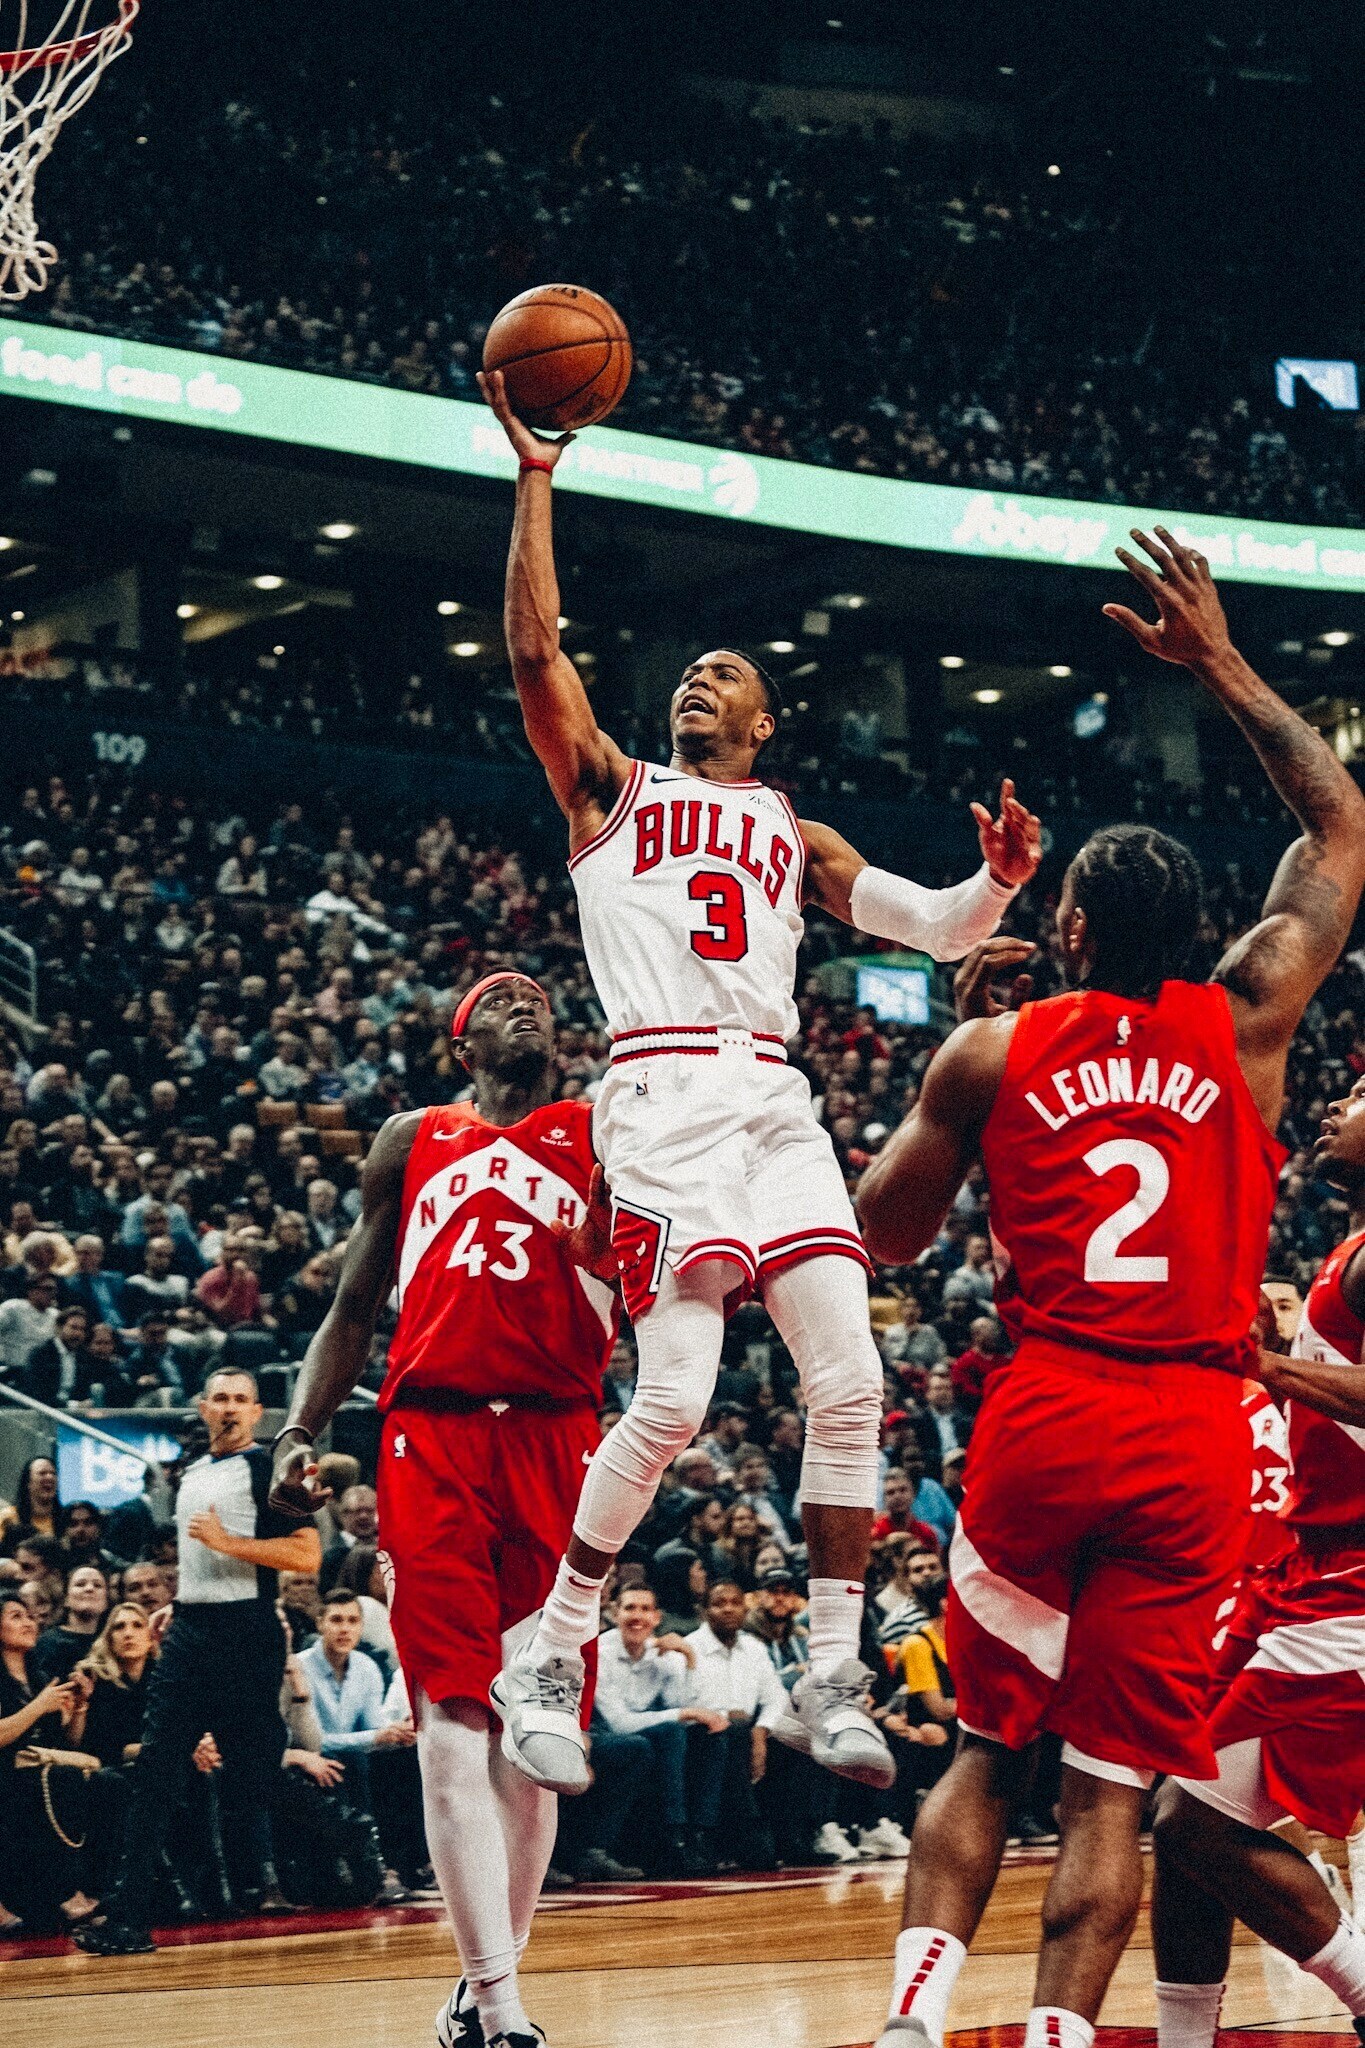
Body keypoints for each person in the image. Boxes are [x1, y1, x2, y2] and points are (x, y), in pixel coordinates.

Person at [478, 364, 1042, 1800]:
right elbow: (537, 653)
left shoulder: (795, 828)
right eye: (690, 671)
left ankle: (829, 1674)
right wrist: (537, 479)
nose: (698, 680)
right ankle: (549, 1649)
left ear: (765, 722)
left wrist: (994, 880)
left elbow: (937, 926)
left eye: (725, 674)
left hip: (776, 1101)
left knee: (851, 1378)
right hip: (662, 1093)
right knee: (672, 1396)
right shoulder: (610, 789)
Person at [855, 527, 1365, 2048]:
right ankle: (1064, 2035)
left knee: (983, 1748)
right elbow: (1340, 825)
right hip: (1193, 1435)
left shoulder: (995, 1048)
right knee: (1110, 1792)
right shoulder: (1250, 1022)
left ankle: (912, 2018)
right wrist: (1216, 660)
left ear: (1067, 930)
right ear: (1205, 934)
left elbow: (884, 1235)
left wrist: (954, 1066)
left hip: (1051, 1409)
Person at [268, 970, 618, 2048]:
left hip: (561, 1437)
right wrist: (298, 1428)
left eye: (539, 998)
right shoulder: (410, 1140)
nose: (527, 1005)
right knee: (451, 1729)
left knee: (536, 1739)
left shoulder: (604, 1128)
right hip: (432, 1436)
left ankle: (480, 1989)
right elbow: (352, 1307)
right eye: (499, 999)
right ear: (461, 1046)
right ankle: (502, 2009)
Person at [1150, 1071, 1365, 2047]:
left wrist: (1267, 1364)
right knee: (1180, 1826)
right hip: (1308, 1574)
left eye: (1357, 1093)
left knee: (1193, 1824)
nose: (1335, 1104)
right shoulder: (1347, 1251)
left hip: (1350, 1584)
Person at [75, 1367, 321, 1953]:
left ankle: (336, 1853)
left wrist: (227, 1543)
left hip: (247, 1631)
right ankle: (128, 1918)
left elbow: (307, 1554)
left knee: (253, 1774)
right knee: (157, 1767)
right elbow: (202, 1560)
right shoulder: (192, 1472)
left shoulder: (269, 1467)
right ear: (203, 1407)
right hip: (191, 1630)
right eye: (220, 1399)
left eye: (241, 1400)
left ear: (257, 1412)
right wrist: (181, 1601)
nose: (230, 1408)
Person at [592, 1583, 725, 1877]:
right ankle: (673, 1835)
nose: (637, 1617)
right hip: (600, 1733)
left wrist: (688, 1657)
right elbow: (618, 1723)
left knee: (710, 1736)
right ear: (614, 1614)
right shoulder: (600, 1653)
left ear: (657, 1617)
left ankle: (701, 1834)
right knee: (669, 1733)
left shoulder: (661, 1651)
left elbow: (685, 1705)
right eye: (630, 1608)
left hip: (645, 1734)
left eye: (645, 1609)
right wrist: (685, 1713)